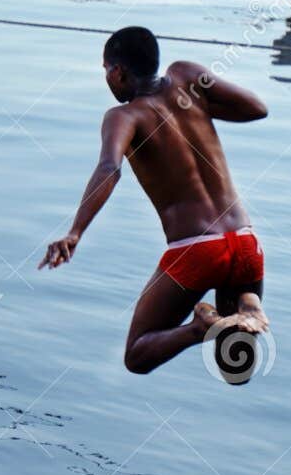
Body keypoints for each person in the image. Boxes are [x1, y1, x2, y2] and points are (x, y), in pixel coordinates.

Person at [40, 26, 270, 376]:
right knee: (234, 366)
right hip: (245, 241)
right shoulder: (188, 76)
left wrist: (75, 232)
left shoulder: (124, 116)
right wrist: (200, 107)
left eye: (105, 70)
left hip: (197, 249)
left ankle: (199, 327)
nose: (107, 78)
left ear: (117, 71)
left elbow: (109, 169)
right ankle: (248, 302)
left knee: (137, 356)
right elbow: (257, 108)